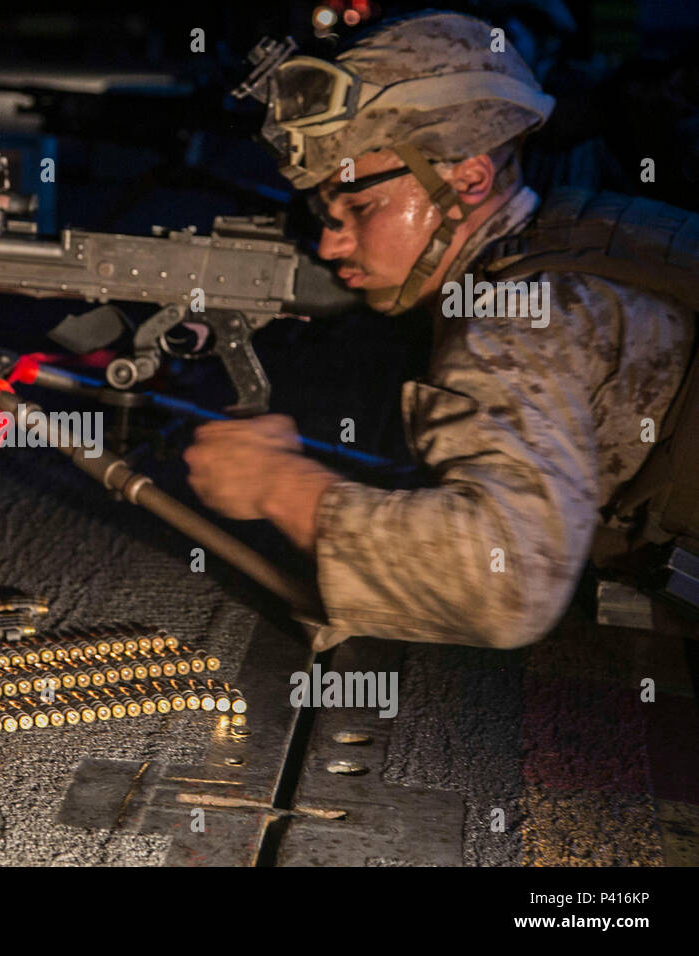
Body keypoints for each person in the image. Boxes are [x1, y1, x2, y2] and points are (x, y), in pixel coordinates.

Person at [183, 11, 695, 650]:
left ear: (469, 178)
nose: (329, 238)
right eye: (322, 209)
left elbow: (506, 583)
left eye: (361, 206)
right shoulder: (584, 233)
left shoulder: (518, 316)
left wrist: (282, 487)